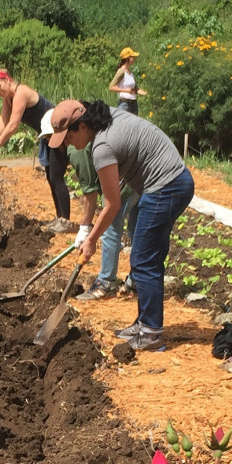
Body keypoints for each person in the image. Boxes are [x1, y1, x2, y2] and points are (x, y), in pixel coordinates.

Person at [49, 99, 194, 351]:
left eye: (67, 137)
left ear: (82, 126)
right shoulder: (108, 118)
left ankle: (150, 333)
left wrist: (91, 239)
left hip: (165, 187)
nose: (67, 144)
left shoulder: (102, 146)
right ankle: (145, 324)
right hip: (172, 181)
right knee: (146, 257)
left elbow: (112, 205)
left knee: (143, 259)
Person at [0, 64, 74, 234]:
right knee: (50, 177)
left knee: (56, 176)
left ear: (6, 79)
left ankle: (66, 221)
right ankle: (59, 218)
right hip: (45, 135)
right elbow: (3, 121)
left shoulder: (21, 93)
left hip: (58, 132)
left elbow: (12, 125)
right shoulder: (8, 98)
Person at [67, 141, 138, 300]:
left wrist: (85, 229)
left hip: (126, 176)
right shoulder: (85, 140)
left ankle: (106, 283)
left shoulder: (76, 149)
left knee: (110, 226)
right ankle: (137, 280)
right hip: (141, 169)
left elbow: (90, 193)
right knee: (137, 228)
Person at [109, 47, 147, 115]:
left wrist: (146, 93)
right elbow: (111, 87)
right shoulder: (121, 71)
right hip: (124, 104)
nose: (134, 59)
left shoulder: (131, 73)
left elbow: (136, 89)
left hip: (133, 104)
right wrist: (125, 90)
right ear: (127, 59)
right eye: (132, 57)